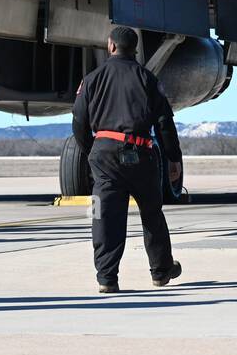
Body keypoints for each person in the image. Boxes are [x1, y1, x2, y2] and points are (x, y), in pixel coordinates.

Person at [71, 26, 184, 294]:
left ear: (110, 46)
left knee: (105, 216)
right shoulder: (148, 79)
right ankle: (160, 272)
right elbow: (164, 123)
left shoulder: (92, 80)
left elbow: (78, 122)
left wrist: (92, 151)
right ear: (135, 49)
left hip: (105, 155)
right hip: (141, 153)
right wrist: (173, 158)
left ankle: (107, 278)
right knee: (152, 213)